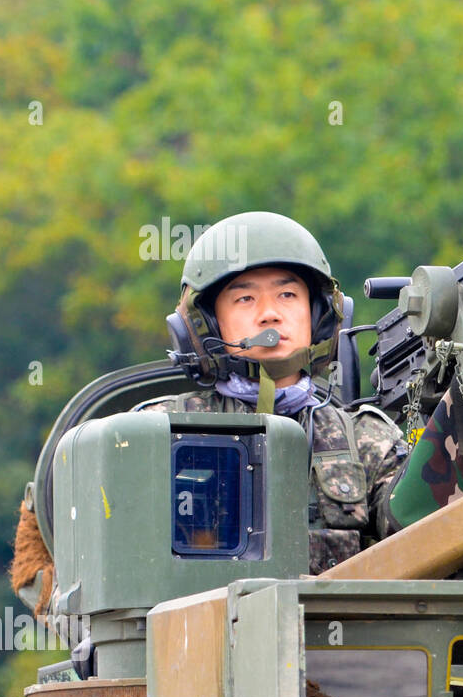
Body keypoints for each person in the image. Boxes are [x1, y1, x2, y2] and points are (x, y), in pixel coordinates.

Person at [137, 211, 411, 574]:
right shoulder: (156, 435)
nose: (269, 314)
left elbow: (427, 539)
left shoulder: (365, 440)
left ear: (321, 315)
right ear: (205, 324)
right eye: (245, 299)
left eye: (287, 294)